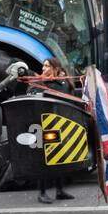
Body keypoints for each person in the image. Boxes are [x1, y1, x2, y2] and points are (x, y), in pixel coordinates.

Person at [35, 57, 75, 204]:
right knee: (44, 160)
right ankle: (42, 192)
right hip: (43, 125)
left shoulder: (63, 84)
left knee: (59, 159)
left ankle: (59, 190)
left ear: (55, 69)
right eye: (43, 66)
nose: (43, 69)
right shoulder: (39, 83)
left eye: (46, 66)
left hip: (60, 124)